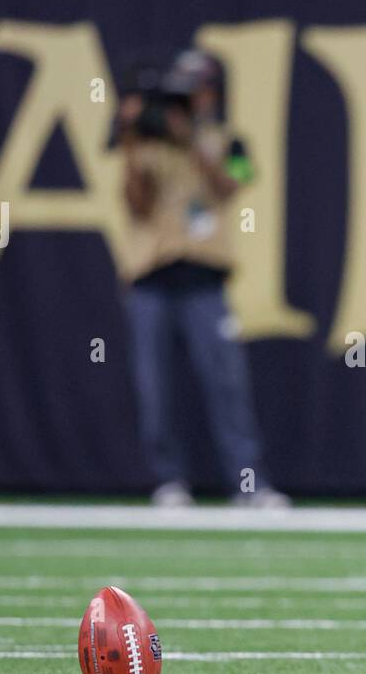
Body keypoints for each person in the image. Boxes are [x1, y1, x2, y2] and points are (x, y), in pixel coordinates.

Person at [117, 55, 288, 509]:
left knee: (227, 385)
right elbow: (135, 204)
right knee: (154, 386)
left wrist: (190, 141)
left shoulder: (227, 142)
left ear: (212, 93)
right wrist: (133, 138)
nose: (190, 100)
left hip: (206, 280)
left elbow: (235, 185)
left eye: (196, 91)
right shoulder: (147, 144)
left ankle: (248, 483)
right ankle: (168, 481)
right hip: (152, 278)